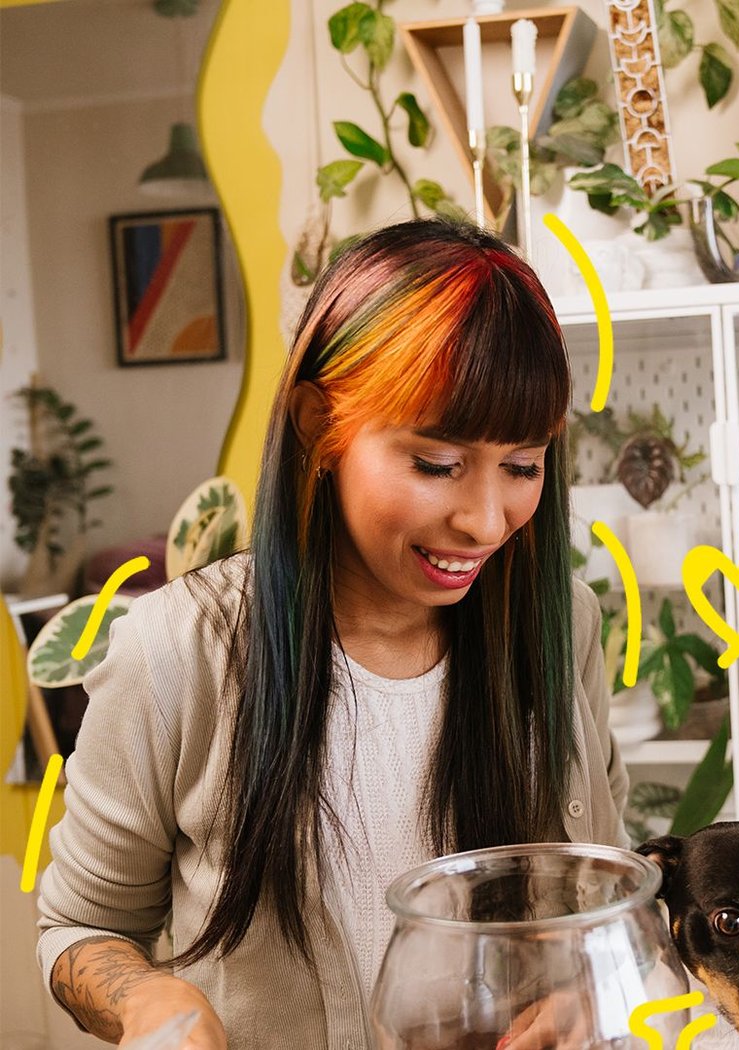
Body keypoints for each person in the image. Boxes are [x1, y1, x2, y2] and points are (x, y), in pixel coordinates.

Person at [36, 219, 630, 1049]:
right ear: (320, 424)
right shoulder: (179, 650)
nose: (485, 520)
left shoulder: (560, 624)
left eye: (522, 466)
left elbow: (612, 894)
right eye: (437, 464)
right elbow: (79, 927)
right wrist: (148, 1001)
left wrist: (594, 989)